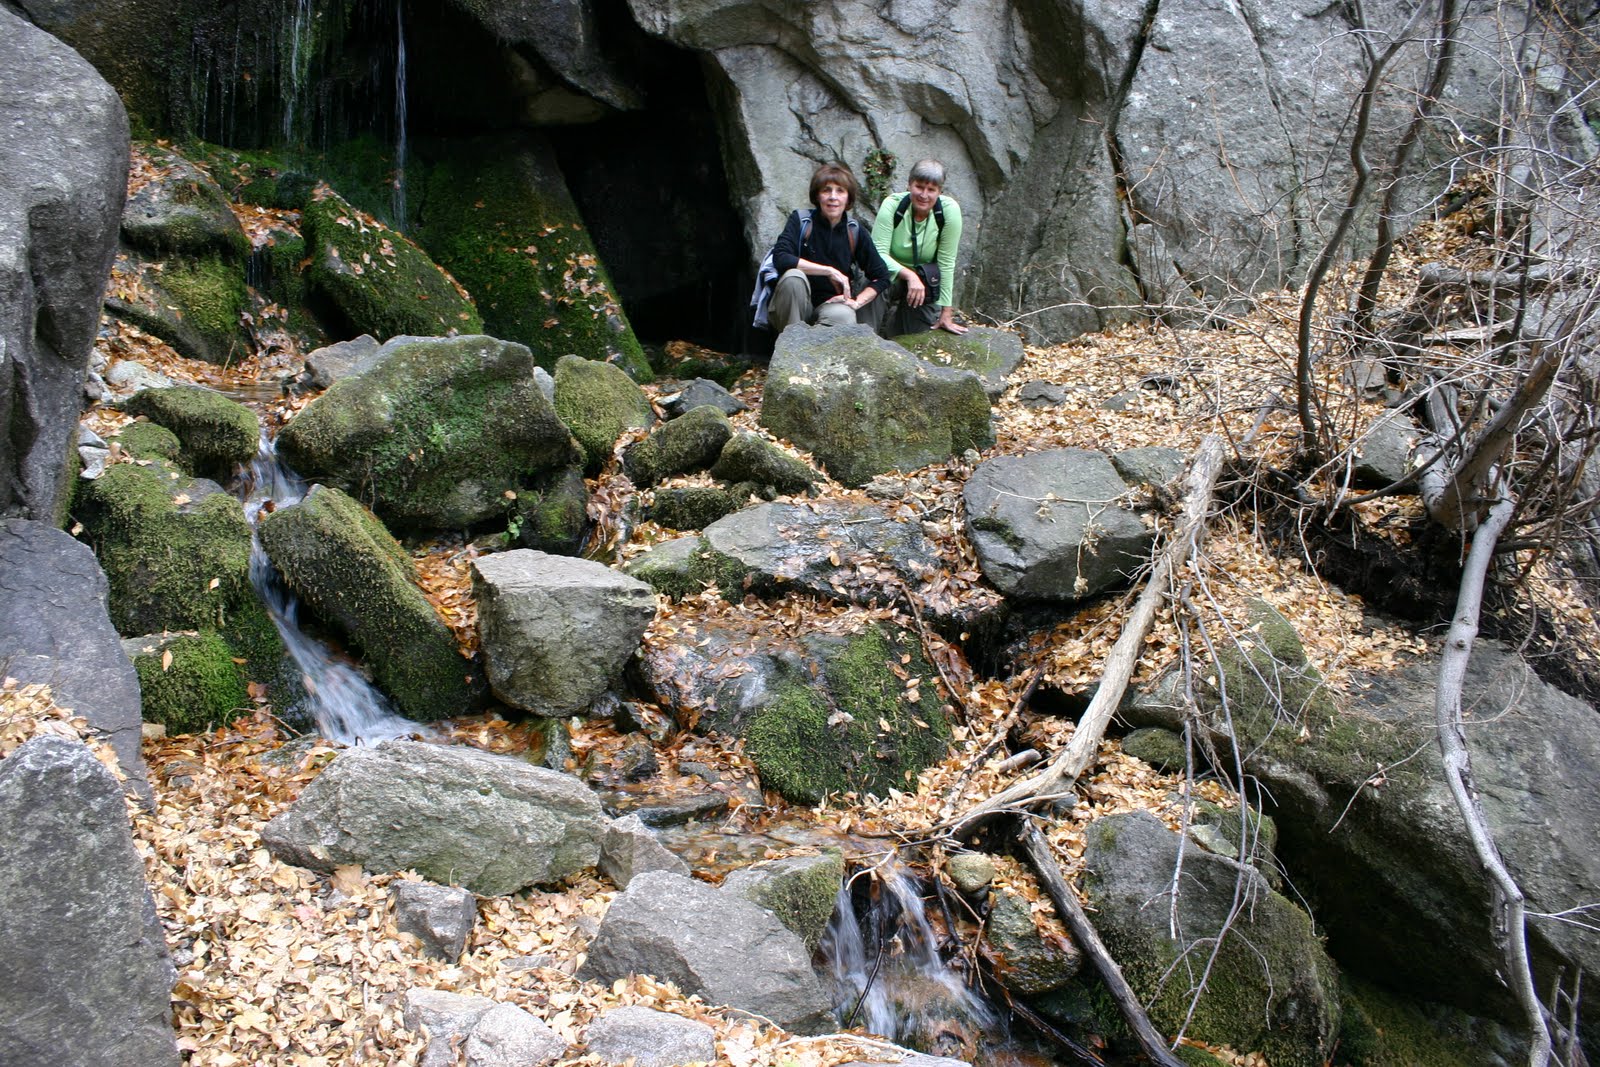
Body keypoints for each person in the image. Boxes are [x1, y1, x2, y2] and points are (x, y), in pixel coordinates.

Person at [767, 163, 892, 331]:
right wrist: (829, 271)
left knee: (844, 315)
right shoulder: (801, 221)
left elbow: (882, 276)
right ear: (817, 196)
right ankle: (793, 351)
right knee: (793, 277)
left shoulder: (854, 231)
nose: (833, 197)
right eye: (826, 190)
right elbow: (781, 257)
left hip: (830, 306)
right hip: (794, 306)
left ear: (848, 198)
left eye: (840, 191)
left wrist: (855, 303)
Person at [867, 158, 967, 336]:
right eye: (919, 187)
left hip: (924, 281)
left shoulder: (949, 211)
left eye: (931, 190)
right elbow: (877, 253)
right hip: (889, 275)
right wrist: (908, 275)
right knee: (872, 284)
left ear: (939, 192)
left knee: (915, 334)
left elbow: (946, 262)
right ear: (909, 185)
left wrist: (946, 313)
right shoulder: (892, 205)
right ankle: (864, 339)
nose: (924, 195)